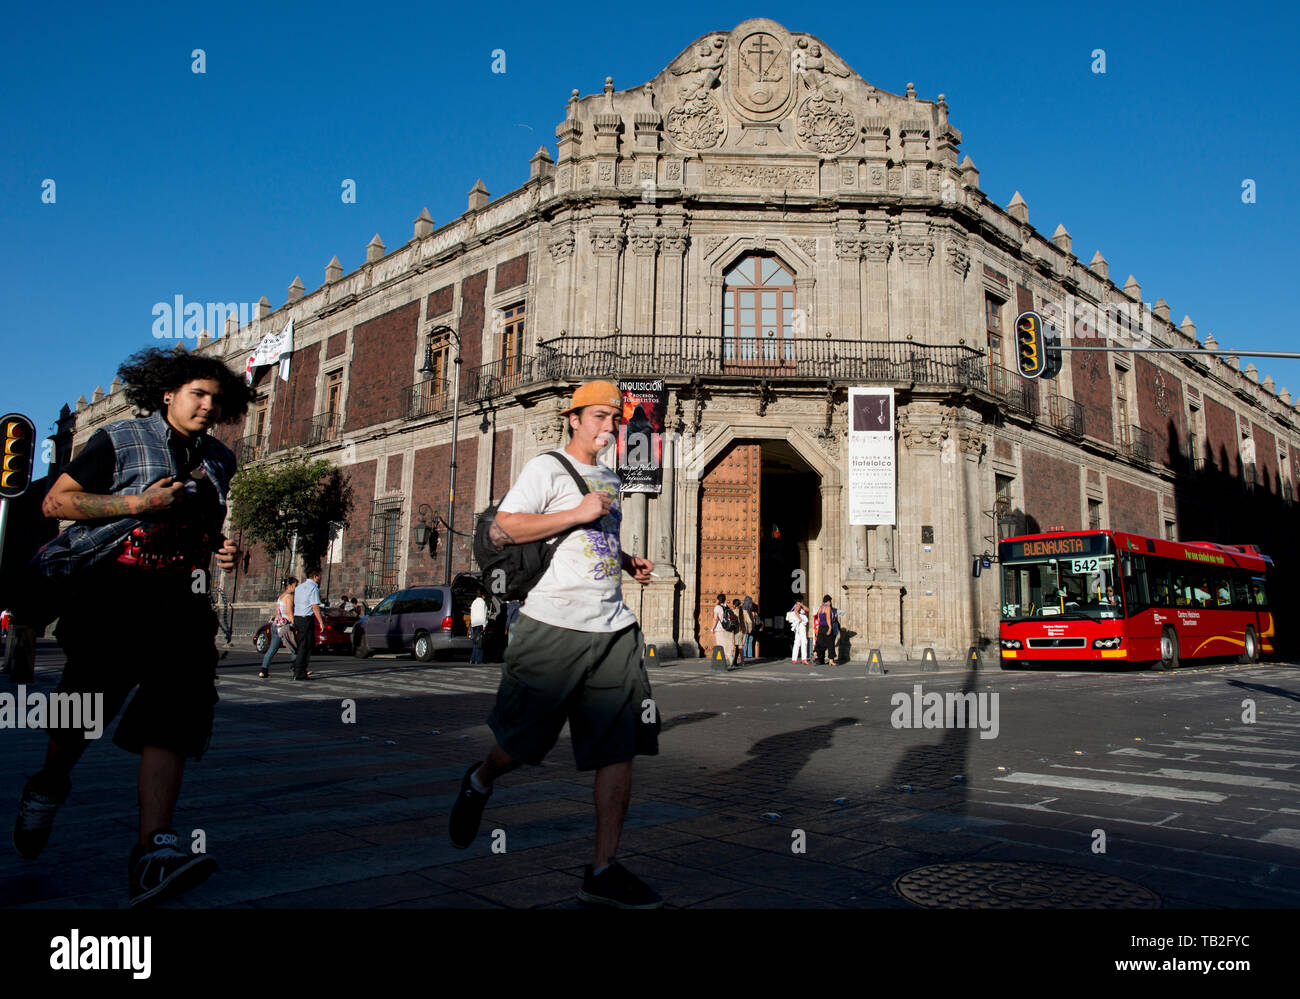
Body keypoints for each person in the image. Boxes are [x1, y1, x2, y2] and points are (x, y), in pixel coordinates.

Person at [12, 345, 251, 907]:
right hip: (112, 597)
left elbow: (206, 525)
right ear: (168, 394)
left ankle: (153, 852)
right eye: (197, 394)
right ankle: (48, 785)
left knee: (177, 717)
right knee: (82, 714)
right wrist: (137, 505)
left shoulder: (220, 460)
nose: (207, 406)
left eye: (217, 399)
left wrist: (221, 549)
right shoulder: (119, 439)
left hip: (182, 605)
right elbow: (55, 504)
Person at [449, 379, 661, 908]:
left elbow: (592, 539)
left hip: (613, 628)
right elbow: (502, 530)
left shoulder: (610, 478)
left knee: (620, 748)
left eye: (615, 419)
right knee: (521, 745)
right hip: (552, 625)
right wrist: (575, 513)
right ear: (574, 419)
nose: (609, 427)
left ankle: (603, 869)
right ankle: (480, 779)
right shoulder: (545, 467)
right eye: (599, 417)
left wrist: (626, 560)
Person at [259, 577, 298, 678]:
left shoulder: (281, 597)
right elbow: (289, 613)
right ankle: (296, 670)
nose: (296, 588)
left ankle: (263, 670)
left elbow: (277, 612)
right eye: (295, 585)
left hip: (276, 625)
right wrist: (295, 624)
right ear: (290, 586)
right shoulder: (289, 597)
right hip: (285, 626)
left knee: (272, 649)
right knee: (295, 648)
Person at [291, 568, 324, 680]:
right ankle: (299, 671)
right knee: (306, 645)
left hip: (298, 617)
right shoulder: (313, 587)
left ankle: (298, 668)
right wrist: (321, 622)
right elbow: (315, 606)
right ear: (316, 576)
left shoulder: (299, 587)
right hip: (306, 618)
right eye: (319, 576)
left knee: (304, 644)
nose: (320, 578)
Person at [813, 594, 838, 666]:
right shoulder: (828, 608)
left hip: (821, 627)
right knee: (830, 643)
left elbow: (818, 617)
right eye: (830, 601)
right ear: (828, 601)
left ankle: (816, 653)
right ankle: (831, 661)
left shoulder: (820, 608)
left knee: (820, 642)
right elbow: (828, 618)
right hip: (827, 626)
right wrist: (830, 627)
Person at [469, 591, 487, 664]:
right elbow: (484, 614)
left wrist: (472, 623)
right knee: (480, 642)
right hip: (480, 623)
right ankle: (478, 659)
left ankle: (472, 659)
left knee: (475, 642)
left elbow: (471, 613)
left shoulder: (474, 602)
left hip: (474, 623)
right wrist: (484, 625)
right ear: (482, 595)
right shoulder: (483, 602)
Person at [729, 598, 747, 670]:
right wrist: (749, 629)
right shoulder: (744, 611)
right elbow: (749, 621)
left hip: (736, 631)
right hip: (743, 631)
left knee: (735, 647)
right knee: (740, 647)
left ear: (734, 605)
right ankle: (742, 662)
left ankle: (732, 661)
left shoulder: (733, 612)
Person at [712, 592, 731, 659]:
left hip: (720, 628)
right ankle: (730, 658)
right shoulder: (727, 607)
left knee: (720, 644)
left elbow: (715, 619)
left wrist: (713, 628)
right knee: (727, 644)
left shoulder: (717, 607)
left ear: (718, 599)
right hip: (727, 628)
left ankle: (721, 659)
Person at [741, 595, 756, 659]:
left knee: (745, 641)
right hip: (751, 628)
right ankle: (749, 655)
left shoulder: (742, 609)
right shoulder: (751, 610)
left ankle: (744, 654)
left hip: (745, 627)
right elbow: (752, 621)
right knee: (750, 641)